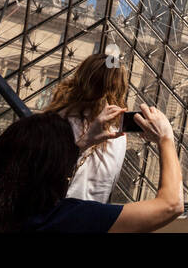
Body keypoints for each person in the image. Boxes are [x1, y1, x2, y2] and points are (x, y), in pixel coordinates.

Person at [0, 105, 183, 233]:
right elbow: (170, 205)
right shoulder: (66, 219)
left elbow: (37, 163)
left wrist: (81, 144)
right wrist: (166, 138)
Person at [43, 52, 128, 202]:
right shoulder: (118, 136)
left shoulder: (56, 121)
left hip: (51, 211)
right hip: (90, 218)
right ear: (120, 88)